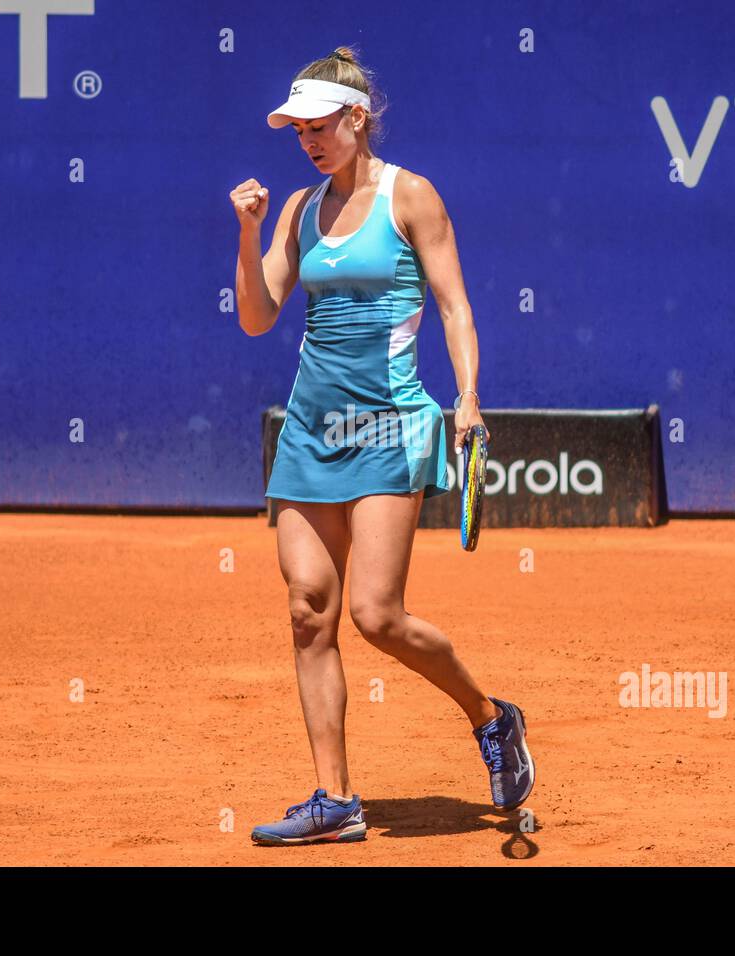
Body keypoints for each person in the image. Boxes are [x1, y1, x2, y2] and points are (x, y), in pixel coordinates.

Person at [229, 47, 534, 845]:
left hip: (392, 425)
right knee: (307, 614)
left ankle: (491, 716)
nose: (308, 141)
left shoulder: (413, 196)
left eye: (320, 126)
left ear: (356, 119)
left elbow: (455, 307)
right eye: (298, 131)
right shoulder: (295, 210)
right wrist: (250, 230)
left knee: (374, 614)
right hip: (310, 429)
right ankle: (335, 801)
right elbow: (256, 317)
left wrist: (466, 398)